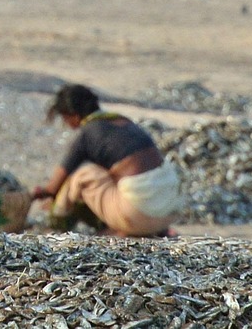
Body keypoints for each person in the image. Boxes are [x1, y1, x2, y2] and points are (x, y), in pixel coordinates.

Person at [31, 84, 182, 237]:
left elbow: (53, 187)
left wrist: (39, 195)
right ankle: (146, 227)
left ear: (73, 116)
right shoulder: (123, 121)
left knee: (81, 176)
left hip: (140, 215)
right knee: (108, 174)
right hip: (170, 209)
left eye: (65, 119)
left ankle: (57, 227)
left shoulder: (88, 133)